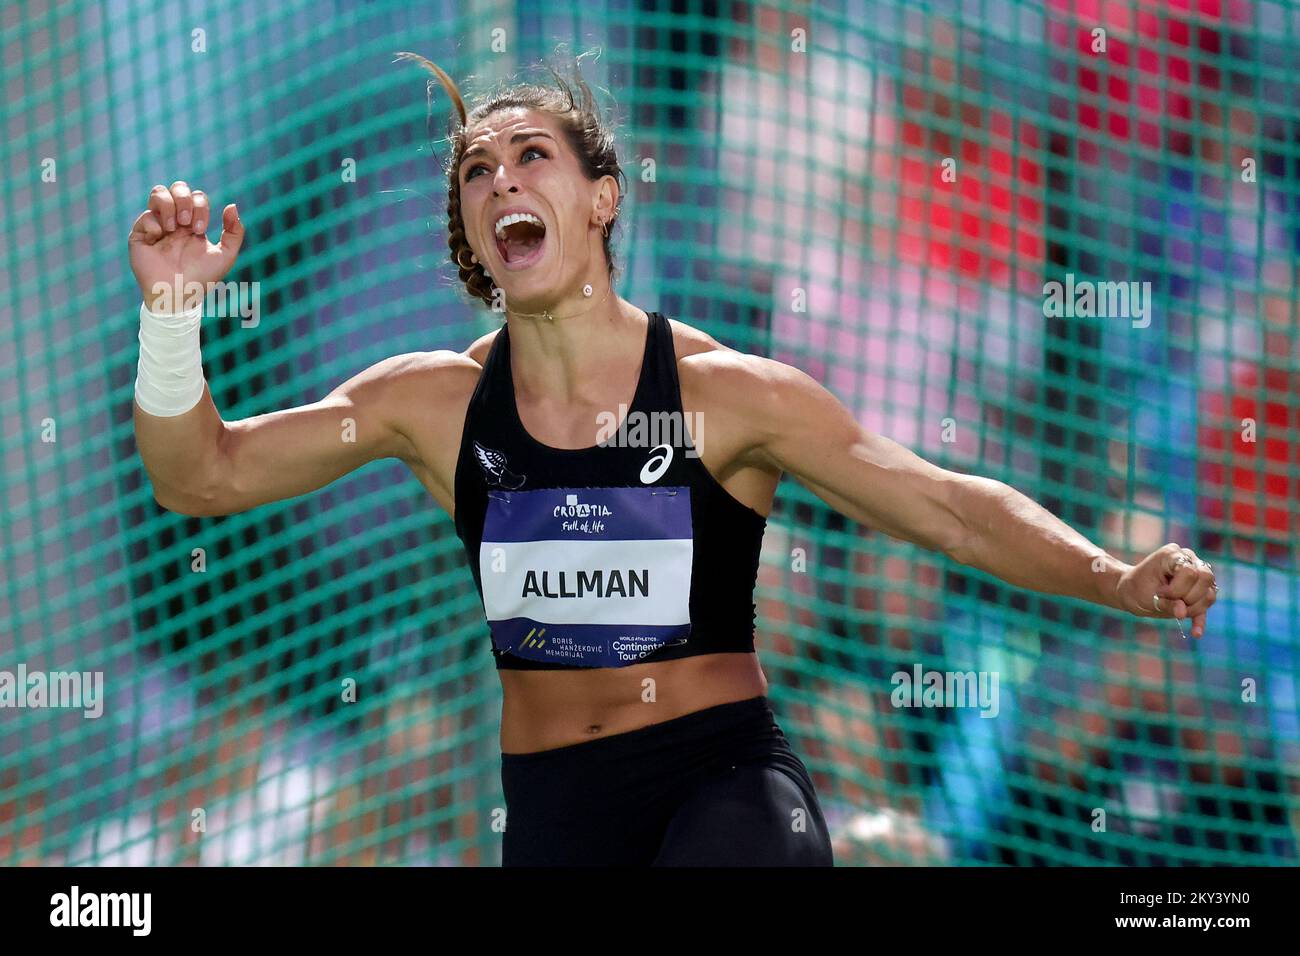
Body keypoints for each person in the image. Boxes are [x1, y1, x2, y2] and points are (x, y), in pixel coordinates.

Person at [126, 51, 1219, 866]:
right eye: (478, 170)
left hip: (724, 786)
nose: (503, 180)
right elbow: (202, 474)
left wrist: (1110, 575)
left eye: (532, 156)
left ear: (600, 198)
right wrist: (172, 320)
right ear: (470, 235)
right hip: (552, 807)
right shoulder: (432, 404)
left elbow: (944, 507)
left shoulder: (725, 396)